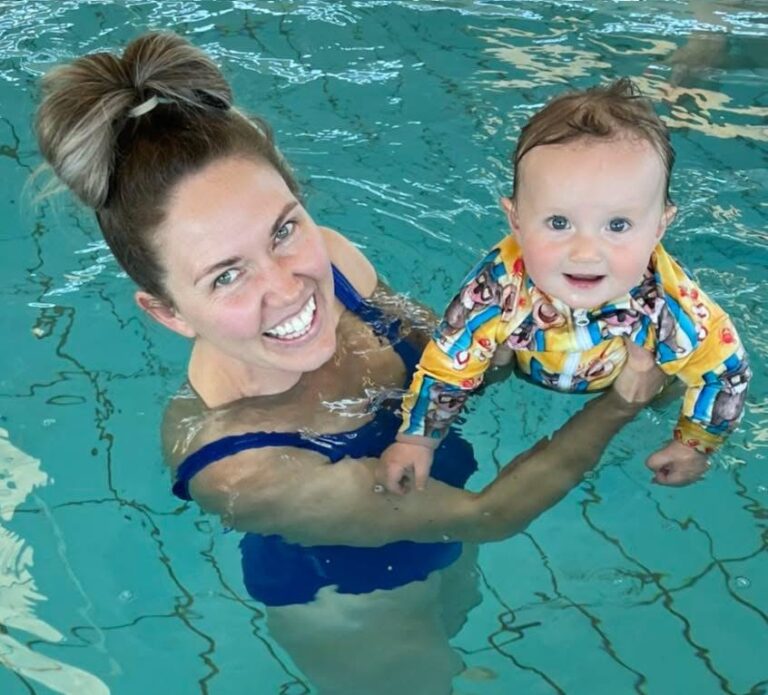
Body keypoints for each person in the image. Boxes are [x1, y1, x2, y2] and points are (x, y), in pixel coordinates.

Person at [35, 33, 664, 695]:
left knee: (458, 620)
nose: (288, 288)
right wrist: (619, 402)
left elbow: (459, 365)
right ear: (169, 312)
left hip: (438, 523)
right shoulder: (240, 469)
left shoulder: (335, 263)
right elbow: (491, 514)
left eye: (283, 229)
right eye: (225, 276)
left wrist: (575, 322)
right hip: (357, 609)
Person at [381, 78, 751, 495]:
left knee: (666, 387)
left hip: (620, 381)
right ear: (516, 220)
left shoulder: (669, 303)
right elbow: (448, 365)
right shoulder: (498, 288)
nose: (586, 252)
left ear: (660, 227)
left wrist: (695, 443)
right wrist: (416, 440)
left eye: (618, 225)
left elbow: (725, 372)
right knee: (484, 364)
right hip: (524, 370)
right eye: (559, 223)